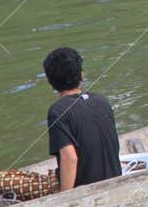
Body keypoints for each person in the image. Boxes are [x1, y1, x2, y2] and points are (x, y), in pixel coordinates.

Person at [42, 46, 122, 190]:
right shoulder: (102, 101)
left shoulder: (57, 111)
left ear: (49, 81)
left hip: (88, 193)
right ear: (82, 75)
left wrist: (64, 198)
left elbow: (70, 158)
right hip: (117, 182)